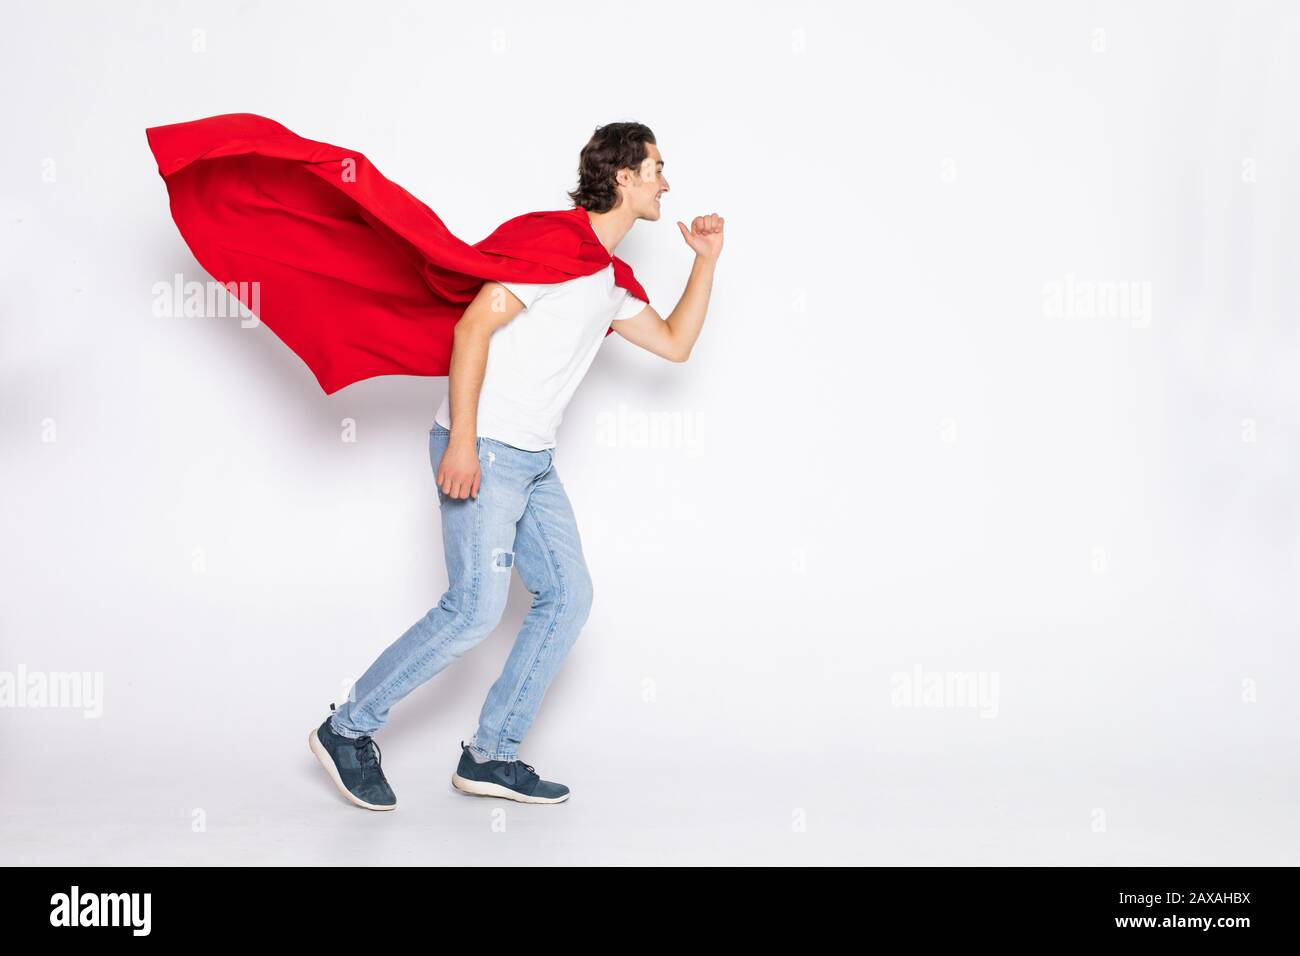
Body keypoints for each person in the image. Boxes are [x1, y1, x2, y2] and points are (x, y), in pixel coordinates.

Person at [308, 122, 724, 809]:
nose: (666, 183)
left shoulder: (611, 278)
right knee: (473, 611)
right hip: (487, 449)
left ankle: (491, 754)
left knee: (569, 597)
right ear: (623, 176)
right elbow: (473, 328)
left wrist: (705, 260)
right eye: (656, 168)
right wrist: (464, 441)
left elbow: (676, 345)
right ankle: (346, 729)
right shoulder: (552, 245)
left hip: (532, 462)